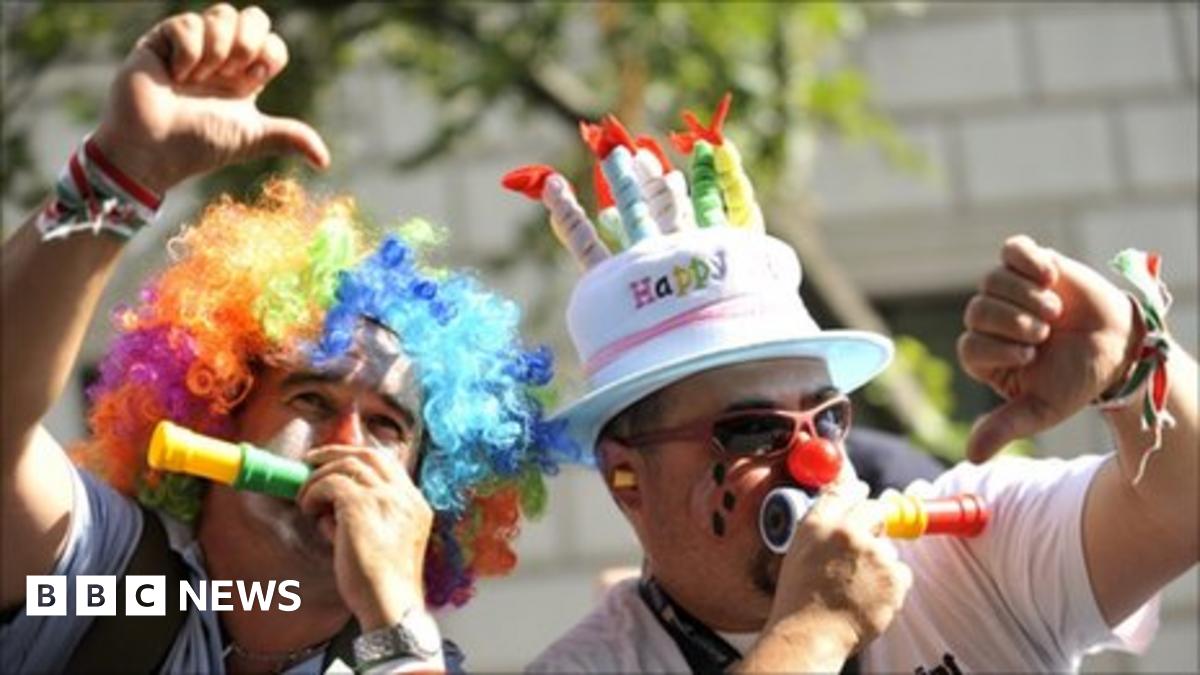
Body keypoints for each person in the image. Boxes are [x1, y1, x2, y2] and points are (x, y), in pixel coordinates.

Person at [504, 99, 1198, 672]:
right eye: (753, 431)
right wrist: (812, 631)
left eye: (828, 418)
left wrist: (1136, 370)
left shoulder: (973, 551)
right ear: (628, 480)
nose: (817, 461)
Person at [1, 5, 572, 673]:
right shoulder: (114, 589)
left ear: (424, 493)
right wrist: (121, 171)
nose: (347, 443)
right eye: (311, 400)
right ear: (222, 411)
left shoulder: (410, 653)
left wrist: (393, 609)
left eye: (388, 425)